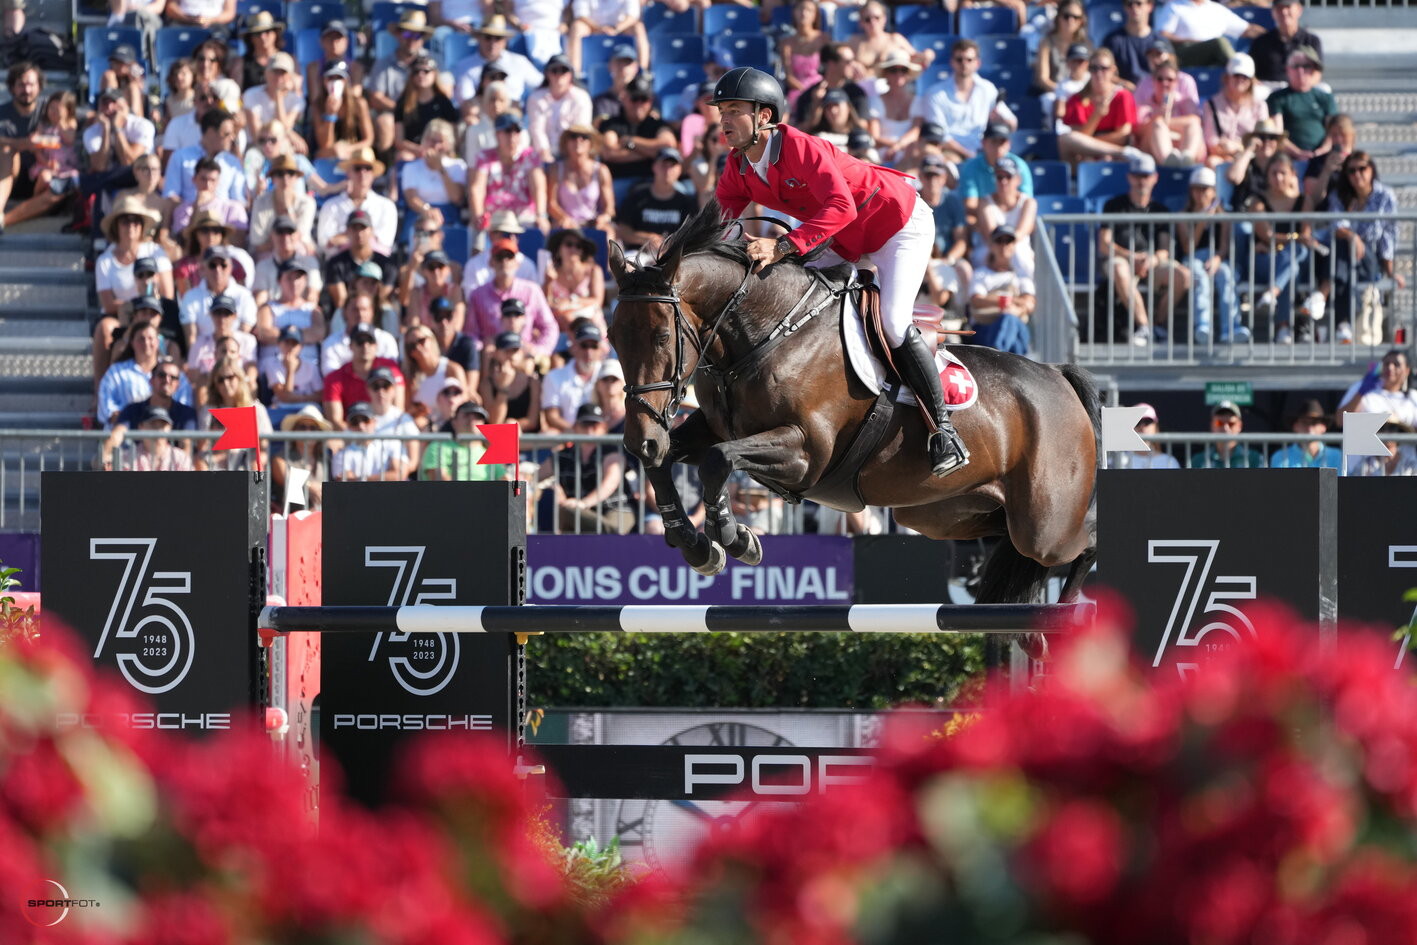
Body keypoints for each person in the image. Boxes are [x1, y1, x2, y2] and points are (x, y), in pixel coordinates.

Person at [711, 66, 968, 476]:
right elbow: (717, 221)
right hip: (843, 239)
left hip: (897, 225)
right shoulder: (738, 166)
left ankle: (944, 430)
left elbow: (841, 207)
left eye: (734, 110)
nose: (723, 120)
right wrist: (680, 252)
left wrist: (780, 245)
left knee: (894, 325)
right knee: (793, 294)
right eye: (721, 110)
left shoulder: (800, 148)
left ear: (764, 116)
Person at [1098, 151, 1190, 344]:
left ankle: (1159, 324)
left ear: (1155, 178)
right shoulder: (1113, 205)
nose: (1142, 181)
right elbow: (1104, 244)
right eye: (1137, 175)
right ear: (1129, 177)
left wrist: (1150, 260)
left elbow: (1164, 249)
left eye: (1146, 176)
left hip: (1151, 263)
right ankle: (1144, 327)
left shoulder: (1161, 210)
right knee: (1119, 267)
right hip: (1122, 261)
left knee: (1183, 276)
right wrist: (1131, 257)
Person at [1323, 151, 1405, 338]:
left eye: (1362, 169)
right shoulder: (1340, 195)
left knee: (1342, 256)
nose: (1357, 174)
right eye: (1351, 171)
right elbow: (1336, 225)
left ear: (1372, 170)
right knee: (1343, 255)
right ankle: (1343, 325)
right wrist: (1353, 238)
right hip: (1343, 257)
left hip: (1370, 259)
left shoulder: (1385, 195)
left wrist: (1390, 271)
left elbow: (1388, 236)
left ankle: (1325, 296)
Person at [94, 197, 172, 387]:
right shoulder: (104, 261)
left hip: (156, 313)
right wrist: (136, 306)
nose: (131, 225)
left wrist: (147, 308)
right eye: (125, 220)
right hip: (122, 318)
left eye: (136, 220)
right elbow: (108, 304)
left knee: (174, 345)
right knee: (105, 329)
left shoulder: (156, 252)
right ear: (116, 225)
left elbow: (168, 295)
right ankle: (100, 391)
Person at [1243, 152, 1320, 344]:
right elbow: (1266, 235)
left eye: (1283, 173)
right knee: (1294, 258)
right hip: (1264, 262)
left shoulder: (1304, 201)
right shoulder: (1257, 202)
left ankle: (1277, 308)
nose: (1278, 178)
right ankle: (1282, 324)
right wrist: (1293, 239)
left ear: (1293, 174)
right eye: (1274, 173)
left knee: (1293, 262)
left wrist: (1279, 244)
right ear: (1267, 175)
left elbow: (1306, 235)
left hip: (1287, 261)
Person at [1176, 166, 1247, 344]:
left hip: (1215, 257)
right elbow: (1188, 247)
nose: (1200, 193)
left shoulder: (1223, 216)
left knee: (1225, 274)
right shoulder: (1183, 216)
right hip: (1193, 258)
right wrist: (1202, 221)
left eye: (1205, 188)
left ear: (1213, 191)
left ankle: (1230, 328)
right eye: (1196, 188)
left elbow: (1223, 246)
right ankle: (1203, 325)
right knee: (1199, 275)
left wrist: (1217, 259)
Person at [541, 403, 635, 534]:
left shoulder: (612, 452)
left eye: (595, 425)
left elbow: (609, 483)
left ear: (604, 428)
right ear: (575, 427)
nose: (590, 430)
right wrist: (552, 487)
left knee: (614, 531)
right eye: (585, 425)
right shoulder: (563, 455)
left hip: (616, 507)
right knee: (565, 511)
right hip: (579, 513)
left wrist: (584, 503)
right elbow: (533, 476)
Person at [918, 40, 1014, 165]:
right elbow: (939, 136)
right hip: (951, 154)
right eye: (959, 59)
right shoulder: (935, 94)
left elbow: (1012, 123)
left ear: (977, 63)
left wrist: (1001, 120)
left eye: (969, 60)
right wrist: (969, 155)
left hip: (985, 152)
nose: (964, 64)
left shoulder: (988, 89)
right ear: (951, 62)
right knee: (943, 161)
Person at [1059, 49, 1146, 165]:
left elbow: (1123, 135)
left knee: (1105, 158)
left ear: (1113, 70)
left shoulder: (1122, 96)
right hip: (1089, 156)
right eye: (1094, 69)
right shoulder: (1077, 99)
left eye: (1104, 68)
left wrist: (1091, 144)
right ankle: (1123, 152)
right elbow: (1077, 138)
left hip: (1114, 153)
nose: (1099, 74)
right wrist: (1096, 115)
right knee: (1065, 139)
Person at [469, 239, 558, 349]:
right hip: (491, 357)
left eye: (509, 257)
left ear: (517, 263)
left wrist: (539, 351)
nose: (504, 261)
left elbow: (549, 326)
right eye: (499, 257)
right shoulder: (477, 295)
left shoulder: (532, 291)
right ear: (491, 262)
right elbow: (471, 332)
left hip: (524, 355)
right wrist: (482, 349)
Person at [366, 9, 433, 154]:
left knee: (439, 124)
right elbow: (375, 98)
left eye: (417, 35)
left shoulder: (433, 62)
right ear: (398, 34)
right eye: (407, 33)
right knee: (385, 122)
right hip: (395, 114)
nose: (411, 39)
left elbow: (444, 91)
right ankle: (385, 168)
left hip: (427, 113)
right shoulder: (383, 63)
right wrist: (404, 110)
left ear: (423, 38)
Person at [470, 112, 548, 233]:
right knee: (477, 230)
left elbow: (538, 188)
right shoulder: (485, 156)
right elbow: (477, 189)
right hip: (494, 217)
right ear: (496, 134)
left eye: (516, 131)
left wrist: (541, 216)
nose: (512, 137)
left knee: (539, 229)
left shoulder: (530, 156)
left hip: (524, 216)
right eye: (507, 131)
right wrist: (478, 215)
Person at [615, 147, 699, 259]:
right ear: (654, 167)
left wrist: (670, 246)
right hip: (639, 255)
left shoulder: (687, 203)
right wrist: (645, 238)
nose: (668, 170)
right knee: (628, 267)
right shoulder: (637, 197)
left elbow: (693, 235)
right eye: (664, 165)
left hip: (673, 256)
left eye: (673, 166)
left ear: (679, 169)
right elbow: (623, 230)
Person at [316, 147, 398, 255]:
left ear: (373, 174)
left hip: (375, 265)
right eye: (357, 168)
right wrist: (366, 236)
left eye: (368, 168)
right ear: (348, 173)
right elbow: (325, 243)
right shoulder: (331, 206)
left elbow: (385, 241)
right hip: (340, 265)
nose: (362, 173)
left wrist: (344, 237)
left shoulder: (387, 206)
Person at [967, 225, 1034, 355]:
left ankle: (997, 355)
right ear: (991, 245)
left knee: (1010, 319)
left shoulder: (1021, 274)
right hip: (986, 326)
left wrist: (1014, 310)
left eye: (1008, 241)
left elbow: (1030, 304)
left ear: (1014, 245)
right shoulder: (981, 274)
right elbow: (976, 300)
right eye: (999, 241)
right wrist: (1007, 302)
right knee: (1013, 335)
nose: (1004, 245)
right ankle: (1008, 361)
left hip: (1013, 326)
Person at [597, 74, 677, 184]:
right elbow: (609, 152)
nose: (639, 104)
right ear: (624, 98)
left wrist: (630, 142)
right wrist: (653, 153)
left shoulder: (657, 124)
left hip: (652, 182)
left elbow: (668, 145)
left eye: (644, 99)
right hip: (619, 182)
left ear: (651, 101)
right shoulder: (610, 124)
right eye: (634, 98)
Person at [322, 323, 404, 428]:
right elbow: (335, 420)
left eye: (370, 341)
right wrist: (361, 434)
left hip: (389, 431)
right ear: (350, 346)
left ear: (376, 346)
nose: (365, 346)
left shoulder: (391, 369)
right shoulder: (334, 378)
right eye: (360, 342)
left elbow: (399, 409)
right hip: (353, 436)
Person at [1133, 51, 1206, 167]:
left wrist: (1164, 122)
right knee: (1157, 125)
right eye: (1160, 79)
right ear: (1153, 81)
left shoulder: (1185, 102)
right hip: (1152, 149)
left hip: (1183, 146)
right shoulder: (1145, 105)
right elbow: (1137, 131)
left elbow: (1196, 122)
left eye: (1170, 79)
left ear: (1176, 82)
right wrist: (1156, 119)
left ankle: (1187, 160)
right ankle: (1169, 163)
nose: (1164, 83)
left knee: (1193, 125)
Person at [451, 15, 544, 106]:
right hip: (479, 116)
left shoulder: (519, 61)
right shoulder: (464, 66)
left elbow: (542, 85)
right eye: (488, 37)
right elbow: (465, 102)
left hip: (513, 116)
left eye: (498, 38)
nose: (493, 43)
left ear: (505, 41)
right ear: (479, 38)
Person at [179, 245, 258, 350]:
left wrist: (226, 354)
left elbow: (244, 333)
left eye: (223, 265)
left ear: (230, 268)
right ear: (203, 269)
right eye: (212, 265)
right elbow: (191, 338)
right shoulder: (190, 297)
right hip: (203, 356)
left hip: (237, 355)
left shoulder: (244, 295)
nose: (218, 270)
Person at [1266, 47, 1336, 160]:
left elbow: (1333, 131)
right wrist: (1297, 153)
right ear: (1287, 69)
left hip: (1322, 157)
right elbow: (1277, 134)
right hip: (1288, 158)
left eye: (1306, 66)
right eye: (1296, 66)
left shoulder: (1325, 98)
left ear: (1313, 70)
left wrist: (1322, 151)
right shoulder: (1277, 98)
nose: (1300, 71)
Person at [0, 62, 45, 233]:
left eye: (31, 84)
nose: (26, 90)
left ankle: (4, 220)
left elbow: (73, 122)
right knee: (6, 151)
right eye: (21, 85)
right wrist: (22, 144)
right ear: (12, 88)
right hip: (9, 178)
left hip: (42, 178)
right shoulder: (2, 112)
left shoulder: (50, 109)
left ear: (39, 87)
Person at [1153, 0, 1264, 69]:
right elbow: (1162, 35)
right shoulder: (1175, 6)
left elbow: (1247, 29)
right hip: (1183, 54)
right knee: (1219, 42)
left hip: (1214, 57)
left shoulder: (1217, 9)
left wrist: (1273, 35)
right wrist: (1194, 42)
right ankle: (1239, 71)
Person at [1202, 54, 1268, 168]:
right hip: (1222, 158)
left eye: (1245, 77)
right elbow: (1211, 142)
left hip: (1250, 158)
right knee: (1212, 163)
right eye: (1236, 75)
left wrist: (1238, 148)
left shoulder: (1260, 106)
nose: (1240, 80)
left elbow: (1263, 140)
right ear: (1227, 77)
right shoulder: (1211, 104)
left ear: (1251, 81)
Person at [526, 54, 591, 165]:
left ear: (571, 74)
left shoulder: (581, 97)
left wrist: (569, 158)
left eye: (563, 70)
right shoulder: (536, 98)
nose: (559, 75)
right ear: (547, 74)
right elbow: (537, 130)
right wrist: (545, 155)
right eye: (554, 70)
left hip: (573, 155)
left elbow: (580, 130)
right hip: (543, 157)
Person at [421, 400, 510, 480]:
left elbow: (506, 484)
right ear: (454, 422)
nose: (472, 420)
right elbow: (440, 483)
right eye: (467, 415)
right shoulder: (438, 447)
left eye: (478, 417)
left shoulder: (490, 455)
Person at [547, 125, 614, 230]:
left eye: (584, 137)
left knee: (608, 234)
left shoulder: (601, 170)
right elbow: (551, 204)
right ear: (566, 143)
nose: (578, 140)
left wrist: (603, 218)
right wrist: (565, 219)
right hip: (565, 224)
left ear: (591, 144)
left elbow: (609, 208)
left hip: (593, 224)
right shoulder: (556, 169)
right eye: (573, 136)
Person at [403, 324, 469, 425]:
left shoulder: (451, 369)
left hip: (452, 427)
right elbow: (406, 411)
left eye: (421, 341)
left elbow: (464, 401)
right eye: (411, 346)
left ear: (431, 340)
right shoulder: (411, 379)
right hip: (424, 431)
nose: (418, 347)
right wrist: (418, 413)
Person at [544, 228, 606, 334]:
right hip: (560, 322)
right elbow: (547, 303)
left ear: (582, 251)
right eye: (569, 244)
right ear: (558, 250)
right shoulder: (551, 273)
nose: (573, 248)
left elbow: (597, 301)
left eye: (578, 246)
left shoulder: (593, 270)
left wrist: (570, 301)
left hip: (590, 319)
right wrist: (548, 282)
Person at [1249, 0, 1323, 87]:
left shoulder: (1311, 40)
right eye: (1279, 8)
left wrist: (1302, 86)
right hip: (1269, 89)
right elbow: (1251, 71)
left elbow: (1317, 73)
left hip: (1301, 87)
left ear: (1299, 10)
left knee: (1324, 89)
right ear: (1273, 12)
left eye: (1288, 7)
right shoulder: (1261, 41)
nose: (1284, 12)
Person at [566, 0, 648, 77]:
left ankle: (642, 72)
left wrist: (616, 29)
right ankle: (575, 73)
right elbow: (580, 14)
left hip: (621, 29)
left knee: (638, 28)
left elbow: (633, 15)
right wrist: (599, 29)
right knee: (577, 27)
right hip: (592, 29)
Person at [312, 61, 374, 162]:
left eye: (339, 78)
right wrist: (330, 115)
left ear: (345, 81)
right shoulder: (317, 106)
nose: (335, 82)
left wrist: (348, 149)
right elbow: (325, 145)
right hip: (331, 152)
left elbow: (369, 139)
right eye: (330, 78)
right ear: (324, 81)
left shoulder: (359, 103)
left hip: (354, 150)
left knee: (366, 154)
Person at [272, 404, 331, 510]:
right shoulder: (280, 458)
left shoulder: (326, 460)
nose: (307, 431)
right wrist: (309, 487)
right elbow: (285, 479)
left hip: (322, 519)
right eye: (302, 427)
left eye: (313, 428)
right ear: (294, 431)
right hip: (293, 518)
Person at [1339, 349, 1417, 429]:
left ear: (1407, 371)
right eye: (1386, 364)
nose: (1390, 367)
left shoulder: (1413, 396)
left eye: (1396, 364)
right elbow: (1340, 421)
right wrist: (1360, 393)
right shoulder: (1361, 387)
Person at [480, 330, 541, 430]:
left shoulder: (532, 382)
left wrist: (514, 425)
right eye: (506, 350)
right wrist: (503, 388)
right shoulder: (487, 384)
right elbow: (494, 421)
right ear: (496, 353)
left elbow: (532, 421)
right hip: (497, 438)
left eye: (515, 350)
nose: (511, 355)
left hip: (525, 439)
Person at [1225, 116, 1285, 211]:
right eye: (1262, 137)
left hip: (1271, 217)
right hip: (1244, 216)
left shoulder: (1282, 166)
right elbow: (1234, 178)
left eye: (1272, 137)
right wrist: (1249, 149)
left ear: (1277, 142)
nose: (1267, 142)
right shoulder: (1245, 161)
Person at [1034, 2, 1090, 98]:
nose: (1070, 20)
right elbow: (1043, 79)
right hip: (1054, 94)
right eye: (1066, 16)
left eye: (1076, 17)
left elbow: (1093, 73)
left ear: (1081, 21)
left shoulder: (1087, 44)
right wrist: (1064, 92)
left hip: (1081, 94)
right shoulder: (1046, 42)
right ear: (1058, 17)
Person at [1189, 400, 1266, 468]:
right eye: (1219, 423)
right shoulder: (1198, 460)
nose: (1225, 428)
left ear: (1240, 426)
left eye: (1231, 424)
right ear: (1212, 425)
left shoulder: (1254, 458)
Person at [780, 0, 826, 110]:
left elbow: (830, 68)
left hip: (820, 86)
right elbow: (789, 76)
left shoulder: (824, 39)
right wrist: (805, 91)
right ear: (794, 12)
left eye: (809, 10)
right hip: (798, 88)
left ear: (815, 15)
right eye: (800, 9)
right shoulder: (786, 43)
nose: (804, 13)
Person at [263, 325, 323, 407]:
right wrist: (290, 370)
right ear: (279, 344)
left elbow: (320, 395)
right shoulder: (271, 364)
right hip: (282, 409)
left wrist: (296, 398)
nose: (290, 347)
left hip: (308, 409)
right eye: (287, 342)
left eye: (294, 343)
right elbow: (284, 397)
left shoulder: (311, 366)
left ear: (301, 346)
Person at [1271, 399, 1341, 469]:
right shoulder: (1280, 456)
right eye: (1304, 422)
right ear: (1295, 426)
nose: (1309, 428)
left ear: (1323, 427)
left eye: (1314, 423)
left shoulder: (1337, 456)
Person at [1102, 0, 1158, 87]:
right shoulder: (1112, 41)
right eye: (1129, 4)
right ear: (1124, 7)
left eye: (1138, 3)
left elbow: (1169, 75)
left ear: (1150, 6)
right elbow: (1102, 72)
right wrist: (1125, 85)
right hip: (1121, 95)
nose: (1134, 8)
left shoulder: (1160, 42)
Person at [126, 405, 195, 471]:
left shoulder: (181, 457)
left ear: (170, 428)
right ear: (141, 427)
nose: (158, 430)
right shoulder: (128, 457)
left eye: (163, 425)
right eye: (153, 425)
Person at [1115, 402, 1181, 468]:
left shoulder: (1169, 461)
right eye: (1137, 421)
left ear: (1155, 426)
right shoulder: (1117, 460)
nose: (1142, 426)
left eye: (1147, 421)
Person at [1349, 422, 1417, 477]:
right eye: (1381, 428)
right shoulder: (1366, 463)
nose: (1386, 432)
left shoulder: (1410, 461)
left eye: (1392, 428)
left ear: (1399, 431)